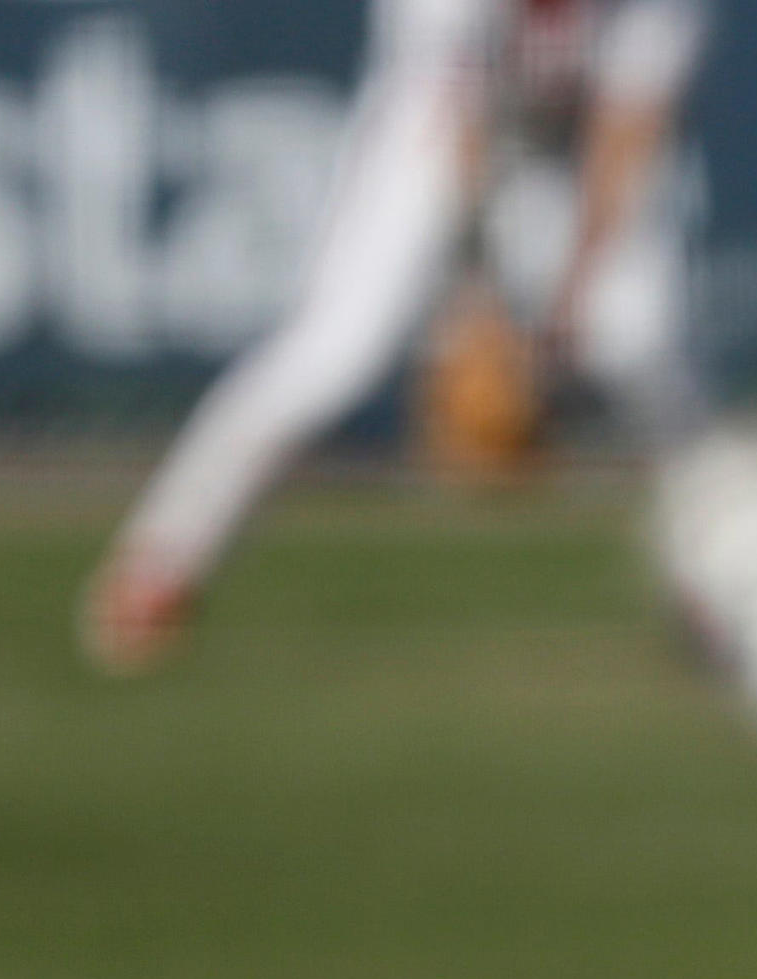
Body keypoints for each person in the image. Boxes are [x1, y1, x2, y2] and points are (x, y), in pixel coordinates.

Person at [80, 0, 709, 671]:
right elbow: (462, 124)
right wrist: (481, 312)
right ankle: (160, 563)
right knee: (336, 352)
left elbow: (626, 136)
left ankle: (716, 585)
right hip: (429, 140)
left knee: (645, 342)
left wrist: (566, 313)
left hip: (567, 149)